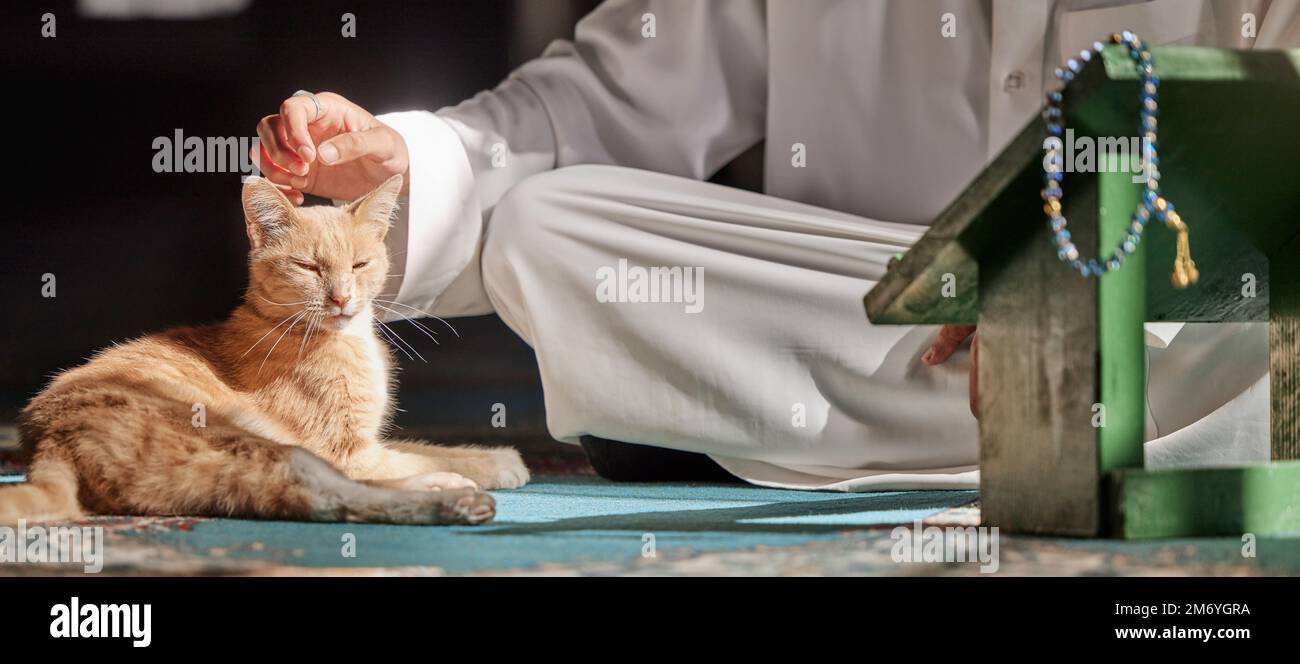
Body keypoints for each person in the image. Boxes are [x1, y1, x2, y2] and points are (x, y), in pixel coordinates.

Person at [253, 0, 1298, 491]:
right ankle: (1000, 437)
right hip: (867, 316)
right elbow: (590, 112)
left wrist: (1067, 254)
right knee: (550, 224)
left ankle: (973, 432)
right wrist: (404, 164)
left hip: (1176, 329)